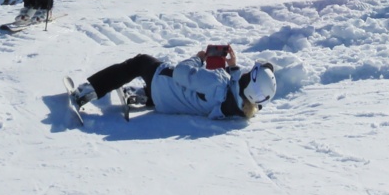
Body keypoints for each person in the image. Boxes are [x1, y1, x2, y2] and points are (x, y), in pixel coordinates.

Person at [70, 47, 277, 120]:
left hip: (162, 84)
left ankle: (88, 91)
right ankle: (142, 96)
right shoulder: (240, 108)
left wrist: (199, 59)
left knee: (139, 62)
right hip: (168, 102)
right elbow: (233, 89)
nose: (247, 72)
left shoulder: (217, 84)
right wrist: (232, 69)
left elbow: (181, 73)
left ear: (249, 83)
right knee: (178, 89)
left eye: (250, 74)